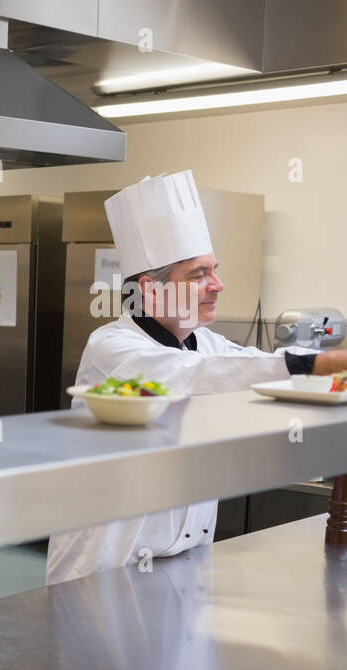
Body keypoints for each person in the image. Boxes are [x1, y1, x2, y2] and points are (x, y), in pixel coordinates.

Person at [47, 171, 347, 585]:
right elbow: (186, 374)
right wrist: (310, 364)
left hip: (187, 560)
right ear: (151, 290)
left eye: (214, 271)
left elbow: (255, 365)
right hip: (110, 563)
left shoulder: (205, 342)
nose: (217, 285)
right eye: (198, 274)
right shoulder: (111, 346)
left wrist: (326, 369)